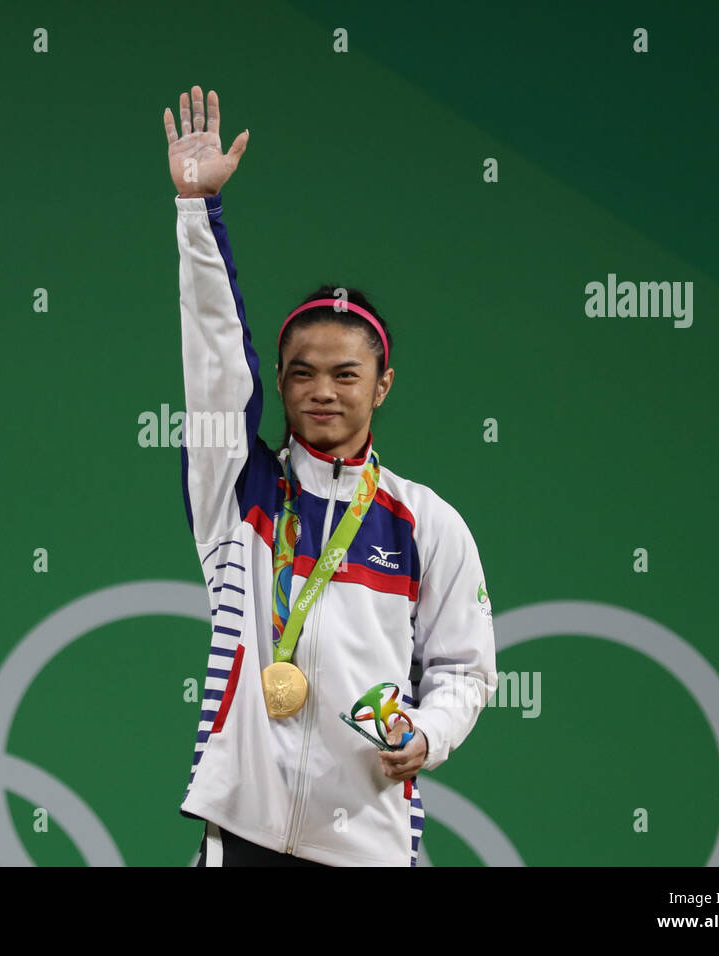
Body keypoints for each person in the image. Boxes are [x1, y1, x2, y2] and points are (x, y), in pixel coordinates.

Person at [165, 85, 499, 867]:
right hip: (243, 829)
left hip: (370, 844)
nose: (322, 390)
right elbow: (214, 366)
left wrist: (429, 734)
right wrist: (196, 215)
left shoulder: (424, 523)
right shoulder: (237, 495)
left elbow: (464, 668)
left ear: (381, 385)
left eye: (346, 374)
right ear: (277, 383)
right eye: (302, 373)